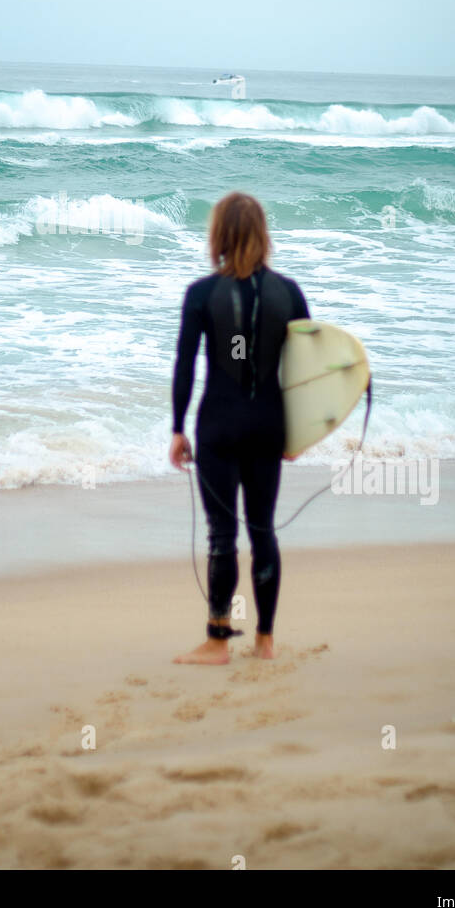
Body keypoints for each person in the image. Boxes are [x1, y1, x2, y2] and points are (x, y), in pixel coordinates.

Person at [169, 192, 309, 665]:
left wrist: (176, 429)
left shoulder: (202, 295)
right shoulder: (288, 293)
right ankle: (265, 642)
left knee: (222, 535)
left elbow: (185, 366)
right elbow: (307, 369)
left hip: (220, 428)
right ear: (262, 235)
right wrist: (300, 432)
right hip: (269, 426)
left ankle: (216, 641)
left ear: (220, 236)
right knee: (263, 530)